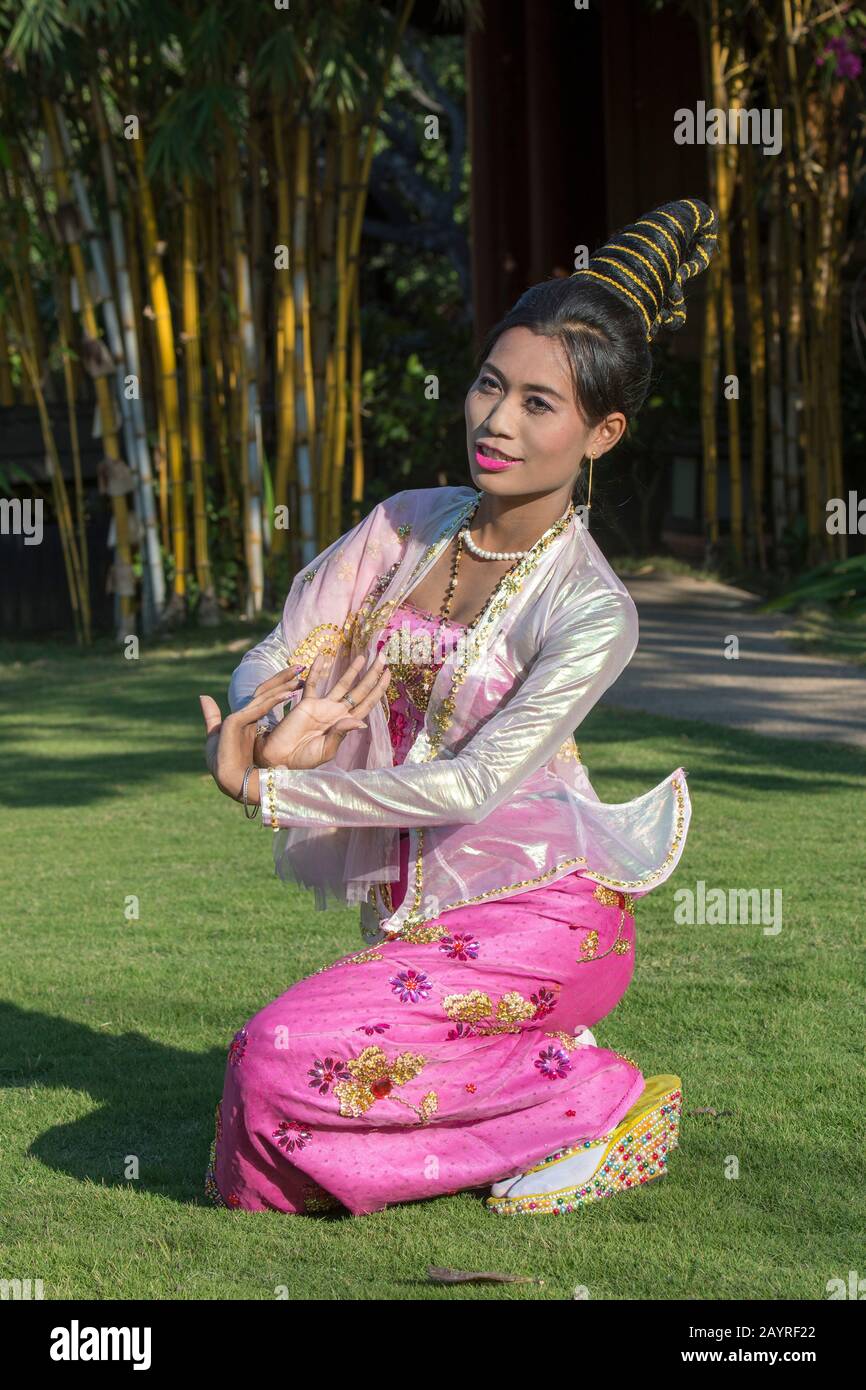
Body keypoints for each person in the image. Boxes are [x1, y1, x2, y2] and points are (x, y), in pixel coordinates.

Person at [199, 197, 716, 1217]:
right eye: (488, 384)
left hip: (544, 921)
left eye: (537, 403)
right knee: (256, 1138)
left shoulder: (588, 607)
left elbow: (476, 780)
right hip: (419, 929)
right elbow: (289, 639)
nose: (493, 421)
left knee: (275, 1054)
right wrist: (264, 723)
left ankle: (590, 1095)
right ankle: (536, 1083)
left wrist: (275, 794)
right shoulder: (406, 525)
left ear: (600, 432)